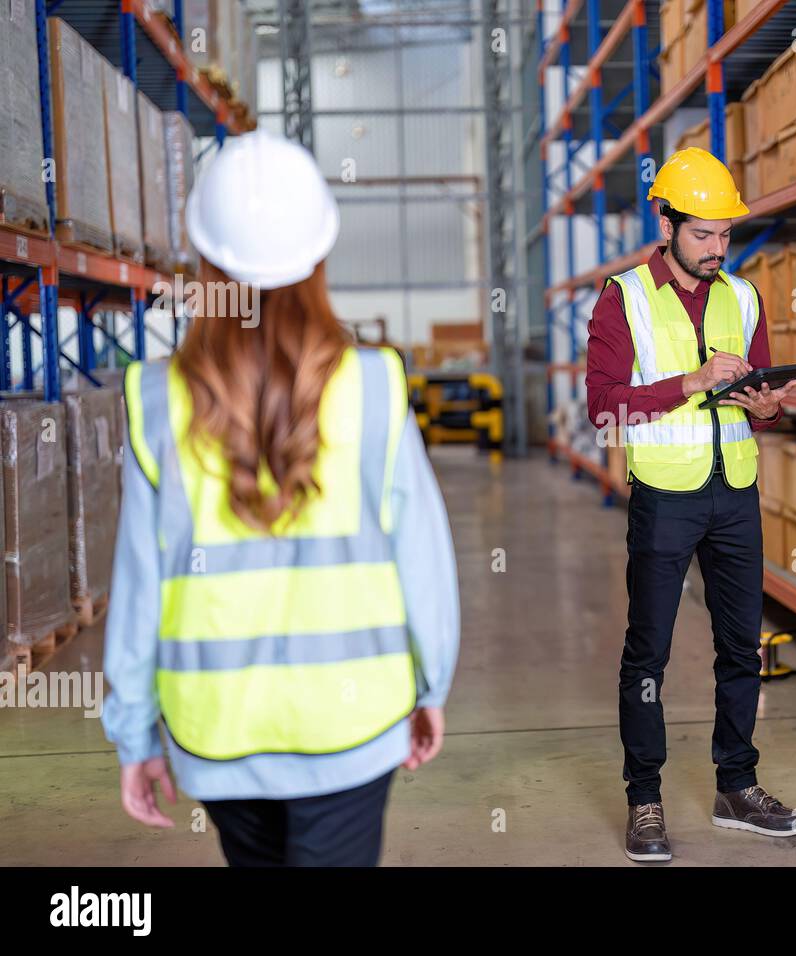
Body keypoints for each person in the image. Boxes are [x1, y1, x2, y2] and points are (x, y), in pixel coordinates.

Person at [101, 131, 460, 867]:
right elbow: (423, 562)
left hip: (217, 729)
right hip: (352, 723)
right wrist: (430, 685)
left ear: (206, 261)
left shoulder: (155, 399)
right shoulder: (375, 386)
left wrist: (134, 734)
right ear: (318, 255)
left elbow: (139, 589)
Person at [586, 147, 796, 863]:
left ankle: (737, 785)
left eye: (725, 235)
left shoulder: (743, 297)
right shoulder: (623, 298)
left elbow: (757, 401)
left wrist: (767, 405)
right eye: (703, 234)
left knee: (740, 647)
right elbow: (602, 409)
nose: (717, 249)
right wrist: (689, 381)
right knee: (647, 654)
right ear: (667, 220)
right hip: (666, 498)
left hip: (735, 492)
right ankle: (644, 797)